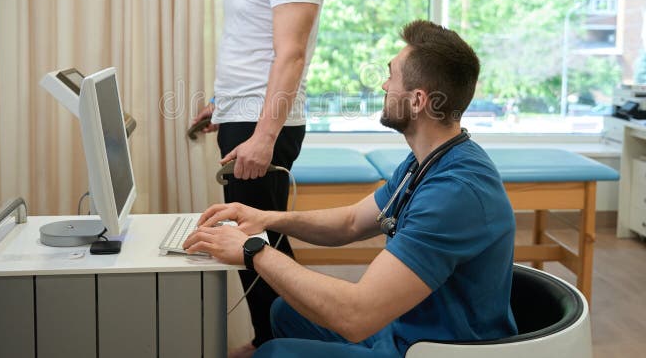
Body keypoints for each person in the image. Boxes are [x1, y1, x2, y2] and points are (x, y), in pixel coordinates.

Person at [185, 20, 517, 358]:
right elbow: (351, 222)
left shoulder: (455, 192)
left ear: (417, 101)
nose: (385, 85)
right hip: (405, 330)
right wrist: (266, 218)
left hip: (434, 350)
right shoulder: (428, 161)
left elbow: (355, 315)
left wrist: (252, 250)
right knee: (284, 312)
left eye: (392, 76)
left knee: (275, 353)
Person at [189, 0, 325, 356]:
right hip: (242, 115)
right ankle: (276, 339)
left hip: (262, 127)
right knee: (258, 243)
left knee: (261, 245)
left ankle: (290, 341)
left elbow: (289, 55)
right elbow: (253, 46)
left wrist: (264, 135)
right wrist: (221, 104)